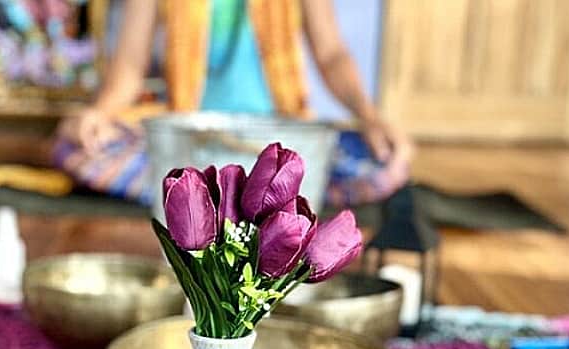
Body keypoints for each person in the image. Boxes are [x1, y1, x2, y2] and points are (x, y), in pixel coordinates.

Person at [53, 0, 412, 206]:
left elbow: (331, 54)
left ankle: (213, 199)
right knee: (78, 146)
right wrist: (99, 113)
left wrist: (369, 116)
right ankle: (251, 200)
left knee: (383, 164)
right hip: (194, 138)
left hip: (276, 141)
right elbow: (130, 66)